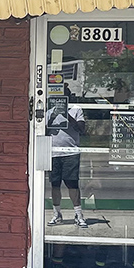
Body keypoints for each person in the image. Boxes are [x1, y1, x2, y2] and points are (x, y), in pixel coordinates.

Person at [46, 87, 88, 228]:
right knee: (55, 184)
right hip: (53, 152)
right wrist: (53, 116)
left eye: (63, 97)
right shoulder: (48, 110)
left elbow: (81, 129)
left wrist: (66, 114)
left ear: (68, 97)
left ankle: (78, 214)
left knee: (72, 183)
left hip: (70, 151)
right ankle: (57, 213)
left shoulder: (76, 109)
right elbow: (42, 129)